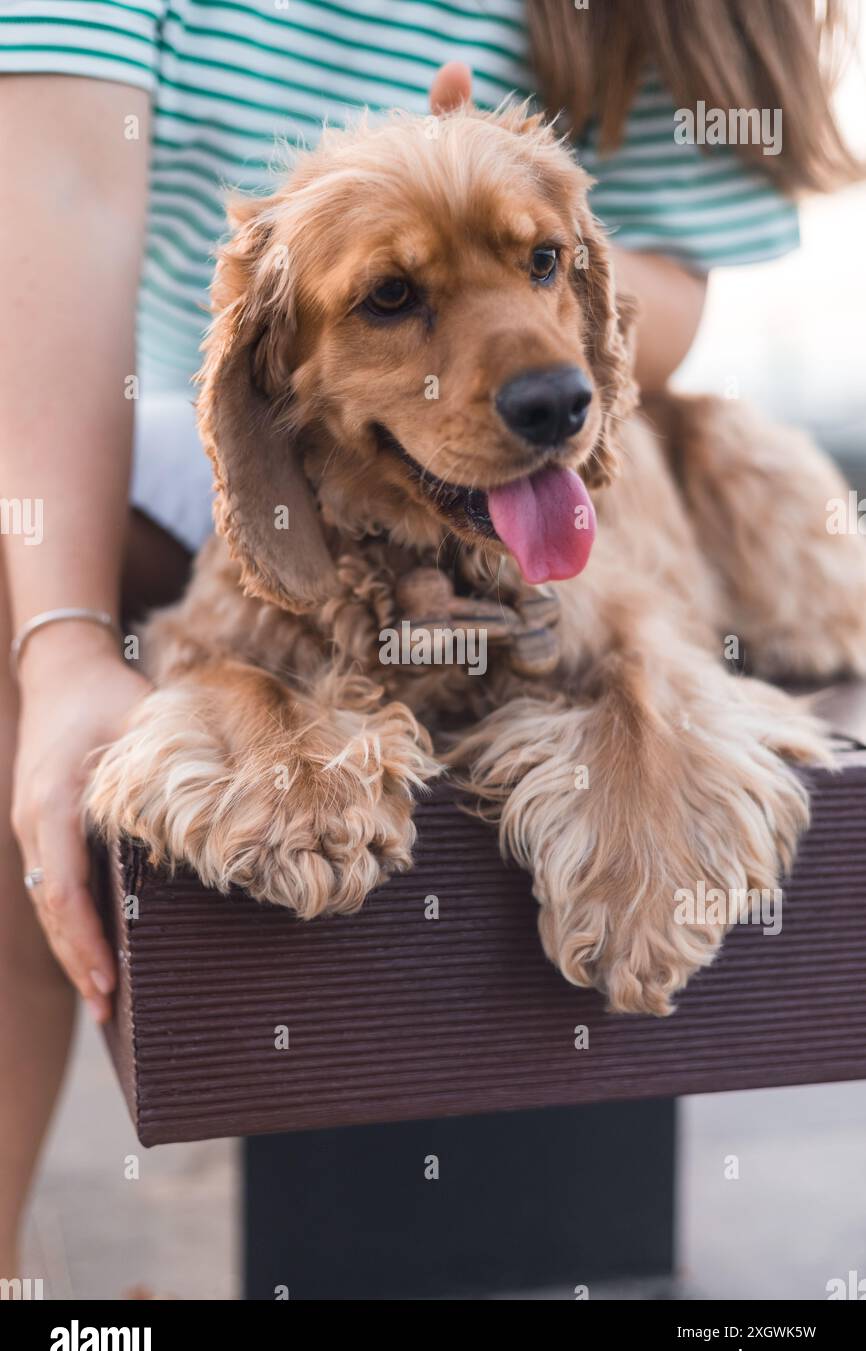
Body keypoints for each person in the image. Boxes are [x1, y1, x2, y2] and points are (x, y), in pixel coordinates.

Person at [0, 0, 860, 1283]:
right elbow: (53, 192)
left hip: (602, 473)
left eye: (533, 265)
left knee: (758, 523)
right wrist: (63, 644)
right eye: (394, 296)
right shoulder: (258, 415)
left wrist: (496, 217)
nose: (514, 344)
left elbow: (650, 285)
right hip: (147, 432)